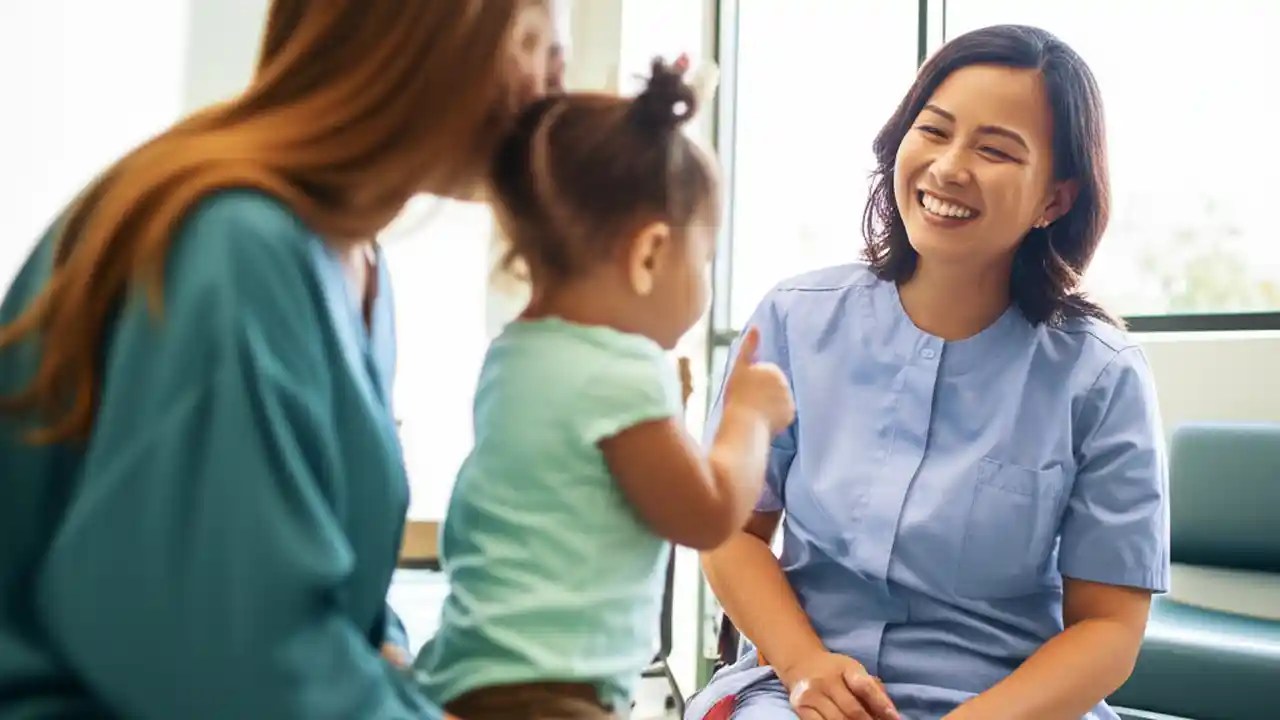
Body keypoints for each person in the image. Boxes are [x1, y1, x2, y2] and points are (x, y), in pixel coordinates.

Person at [0, 2, 556, 718]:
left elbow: (307, 591)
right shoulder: (233, 244)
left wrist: (383, 665)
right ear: (425, 34)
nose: (553, 95)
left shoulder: (353, 263)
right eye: (537, 49)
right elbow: (224, 662)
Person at [686, 24, 1169, 720]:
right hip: (801, 692)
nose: (948, 167)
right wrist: (803, 666)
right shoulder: (795, 320)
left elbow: (1109, 628)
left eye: (996, 150)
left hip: (1004, 705)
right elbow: (730, 529)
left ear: (1054, 200)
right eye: (933, 131)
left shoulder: (1101, 376)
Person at [411, 59, 795, 720]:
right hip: (555, 695)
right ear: (649, 256)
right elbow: (704, 516)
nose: (703, 282)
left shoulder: (516, 352)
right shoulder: (621, 372)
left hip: (467, 672)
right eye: (701, 260)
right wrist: (748, 420)